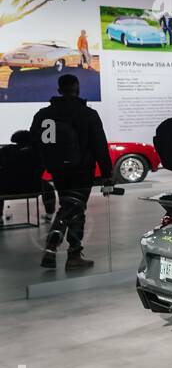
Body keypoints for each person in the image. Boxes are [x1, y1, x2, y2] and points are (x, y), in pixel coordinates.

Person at [30, 74, 113, 270]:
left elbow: (35, 142)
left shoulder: (43, 114)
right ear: (78, 89)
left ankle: (65, 250)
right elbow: (99, 145)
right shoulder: (87, 114)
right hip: (82, 170)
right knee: (74, 209)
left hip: (57, 170)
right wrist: (108, 173)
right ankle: (63, 250)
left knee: (69, 206)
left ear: (59, 90)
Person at [0, 129, 55, 222]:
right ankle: (49, 215)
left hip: (8, 187)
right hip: (34, 186)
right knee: (49, 188)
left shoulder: (6, 150)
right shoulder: (38, 152)